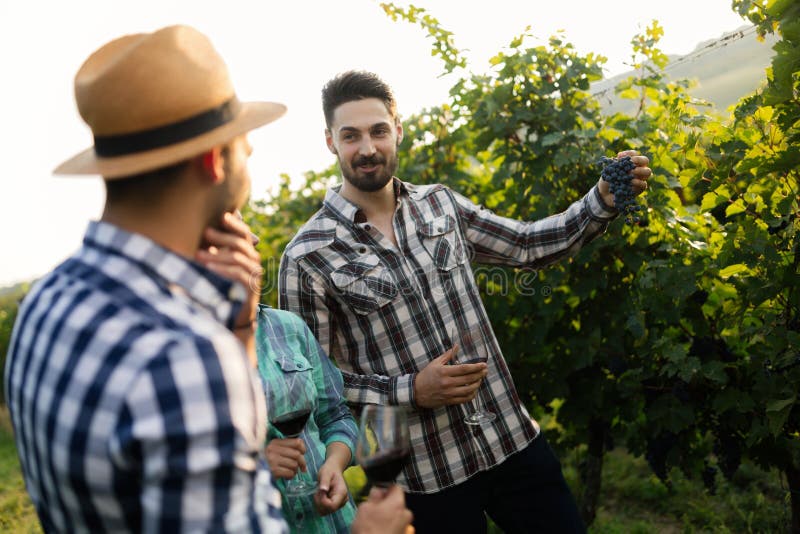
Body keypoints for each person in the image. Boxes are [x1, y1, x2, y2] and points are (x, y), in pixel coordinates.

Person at [4, 29, 411, 533]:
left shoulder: (46, 304)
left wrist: (240, 338)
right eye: (243, 140)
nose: (251, 155)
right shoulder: (185, 353)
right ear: (213, 160)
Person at [278, 70, 652, 533]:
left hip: (510, 440)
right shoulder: (306, 254)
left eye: (378, 130)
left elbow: (527, 245)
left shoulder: (440, 204)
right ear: (331, 142)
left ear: (398, 128)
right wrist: (410, 391)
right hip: (420, 476)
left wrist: (601, 199)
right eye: (350, 135)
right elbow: (315, 385)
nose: (368, 148)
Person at [255, 302, 358, 533]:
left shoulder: (287, 325)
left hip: (336, 522)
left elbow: (336, 416)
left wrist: (334, 464)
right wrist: (256, 468)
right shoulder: (187, 353)